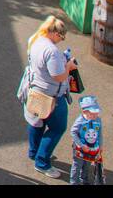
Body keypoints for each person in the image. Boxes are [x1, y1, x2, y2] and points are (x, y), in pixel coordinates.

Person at [22, 15, 77, 179]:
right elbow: (59, 77)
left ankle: (34, 152)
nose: (62, 39)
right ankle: (42, 162)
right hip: (51, 96)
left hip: (34, 90)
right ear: (54, 33)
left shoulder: (35, 39)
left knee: (36, 122)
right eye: (61, 36)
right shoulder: (51, 51)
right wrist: (68, 66)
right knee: (58, 128)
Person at [70, 95, 104, 185]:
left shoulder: (98, 120)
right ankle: (74, 182)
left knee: (87, 165)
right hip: (79, 148)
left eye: (97, 112)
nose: (96, 115)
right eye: (93, 113)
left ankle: (84, 180)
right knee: (77, 166)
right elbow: (73, 132)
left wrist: (100, 147)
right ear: (84, 111)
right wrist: (81, 145)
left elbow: (100, 134)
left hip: (92, 148)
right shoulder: (80, 120)